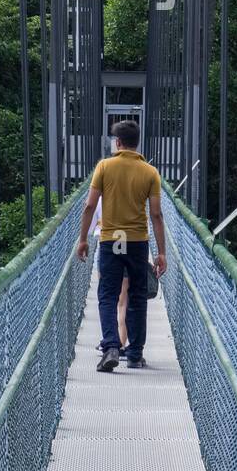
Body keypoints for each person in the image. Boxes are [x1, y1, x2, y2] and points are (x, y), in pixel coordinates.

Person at [77, 118, 166, 372]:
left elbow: (89, 206)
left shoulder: (104, 167)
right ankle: (135, 354)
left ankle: (111, 347)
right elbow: (157, 215)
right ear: (136, 144)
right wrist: (161, 253)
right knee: (138, 296)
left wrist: (83, 239)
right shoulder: (150, 172)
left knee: (108, 294)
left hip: (111, 239)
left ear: (117, 143)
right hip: (138, 241)